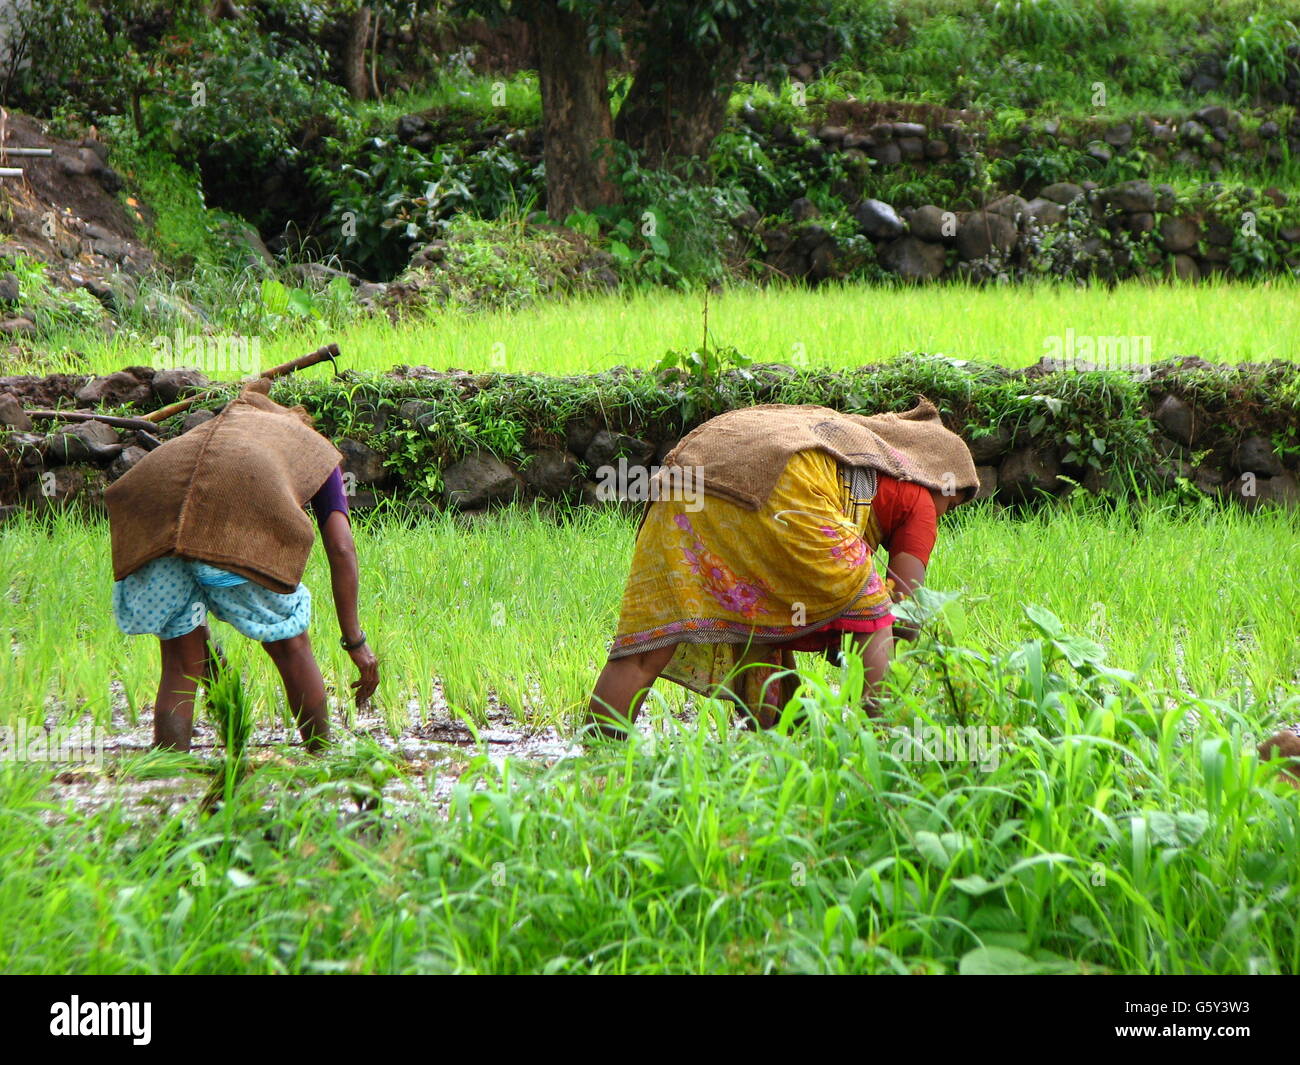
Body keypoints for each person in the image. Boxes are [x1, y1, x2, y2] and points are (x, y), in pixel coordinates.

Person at [586, 399, 979, 738]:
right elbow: (905, 612)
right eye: (954, 502)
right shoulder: (921, 497)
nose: (947, 511)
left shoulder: (838, 440)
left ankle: (594, 762)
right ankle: (886, 744)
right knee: (873, 608)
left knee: (660, 647)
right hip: (781, 484)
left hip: (687, 481)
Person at [105, 378, 379, 752]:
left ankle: (168, 775)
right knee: (290, 646)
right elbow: (342, 548)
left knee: (180, 663)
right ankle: (324, 757)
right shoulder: (314, 451)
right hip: (229, 527)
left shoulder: (217, 434)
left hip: (156, 530)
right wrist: (355, 641)